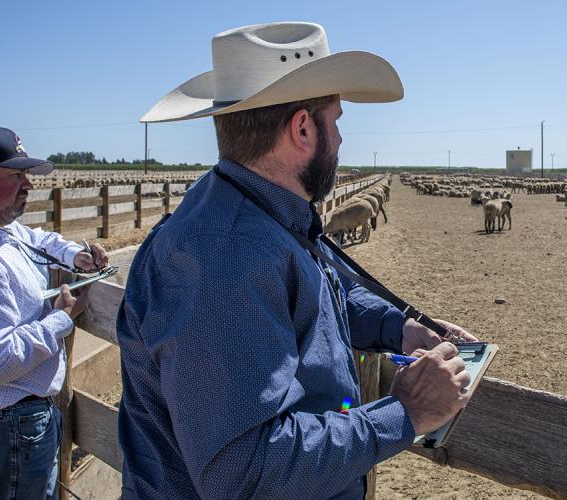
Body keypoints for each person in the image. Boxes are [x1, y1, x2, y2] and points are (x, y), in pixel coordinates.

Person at [117, 22, 477, 499]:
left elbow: (314, 290)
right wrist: (405, 412)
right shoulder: (224, 257)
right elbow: (243, 472)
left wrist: (397, 327)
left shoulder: (252, 211)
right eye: (336, 121)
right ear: (303, 128)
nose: (342, 140)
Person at [0, 125, 109, 499]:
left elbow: (33, 238)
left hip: (2, 425)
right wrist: (61, 318)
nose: (28, 184)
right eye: (16, 175)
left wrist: (71, 254)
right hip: (3, 429)